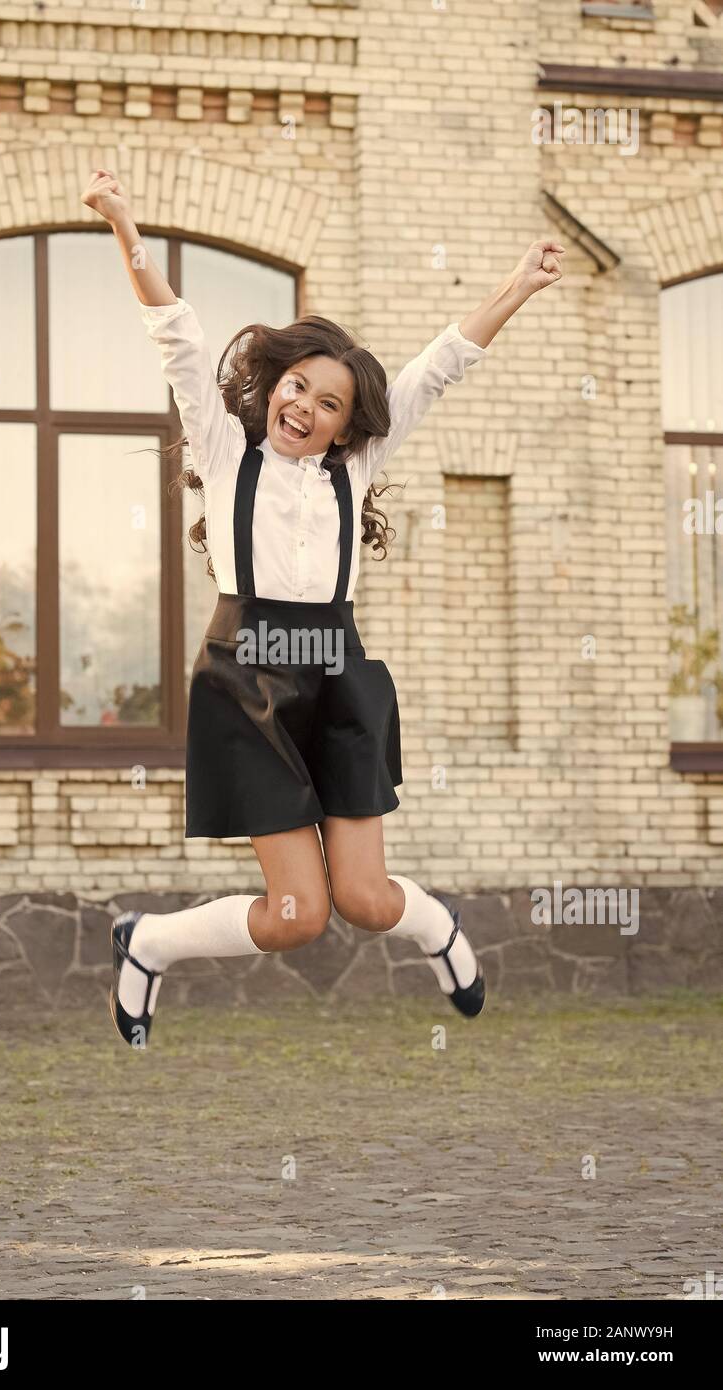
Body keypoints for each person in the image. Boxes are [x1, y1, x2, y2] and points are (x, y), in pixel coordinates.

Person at [81, 168, 565, 1048]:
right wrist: (124, 225)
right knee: (299, 914)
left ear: (349, 427)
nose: (306, 405)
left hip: (337, 671)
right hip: (248, 675)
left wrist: (519, 285)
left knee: (372, 903)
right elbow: (177, 336)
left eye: (330, 402)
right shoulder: (225, 449)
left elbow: (440, 365)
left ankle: (440, 931)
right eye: (298, 386)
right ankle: (147, 943)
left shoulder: (354, 470)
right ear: (274, 388)